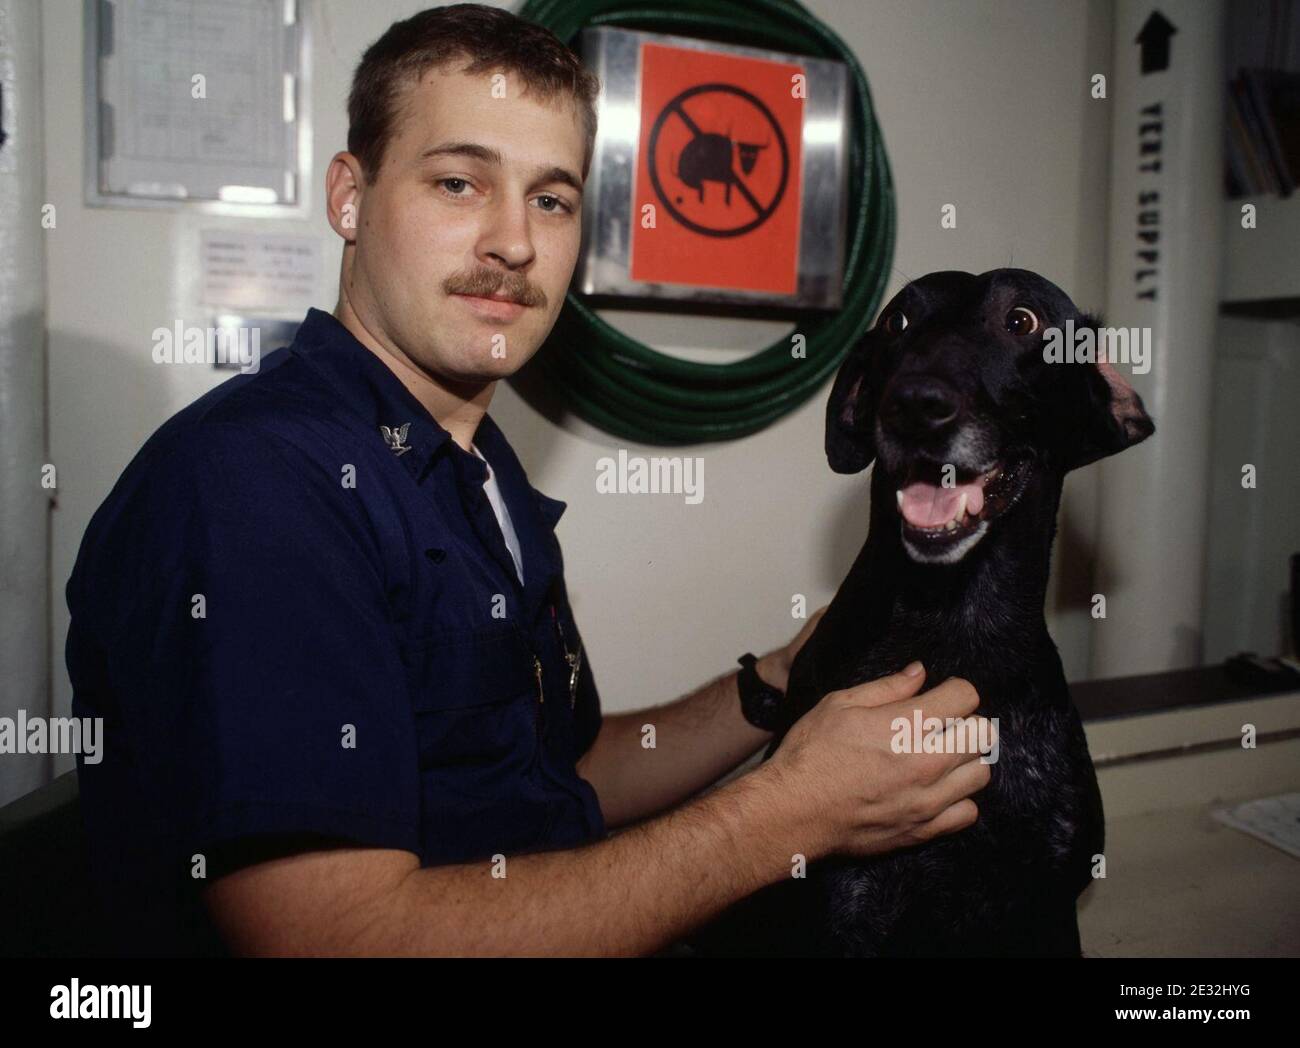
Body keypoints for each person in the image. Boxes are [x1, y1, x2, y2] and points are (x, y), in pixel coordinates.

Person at [66, 3, 988, 957]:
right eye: (460, 182)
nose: (513, 243)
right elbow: (334, 937)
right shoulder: (257, 485)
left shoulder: (473, 462)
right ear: (349, 195)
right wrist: (785, 815)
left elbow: (562, 770)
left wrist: (771, 687)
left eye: (551, 200)